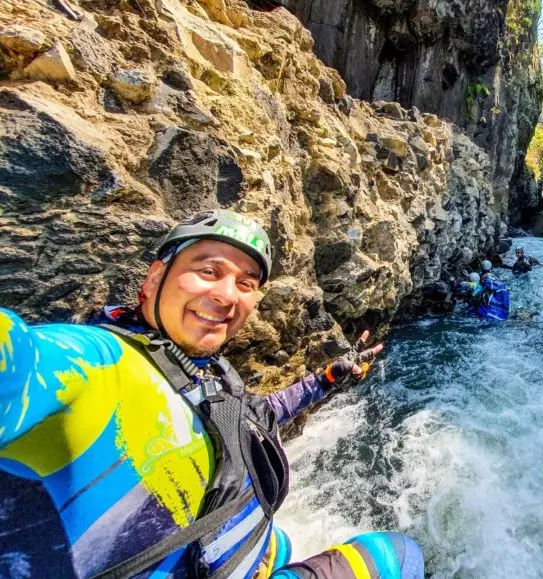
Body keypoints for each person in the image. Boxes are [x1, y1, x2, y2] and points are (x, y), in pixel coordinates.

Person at [0, 209, 424, 579]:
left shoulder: (202, 370)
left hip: (230, 548)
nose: (226, 295)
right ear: (153, 279)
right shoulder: (95, 363)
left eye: (246, 282)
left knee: (283, 544)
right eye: (208, 271)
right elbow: (17, 361)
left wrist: (326, 380)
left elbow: (254, 416)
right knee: (399, 555)